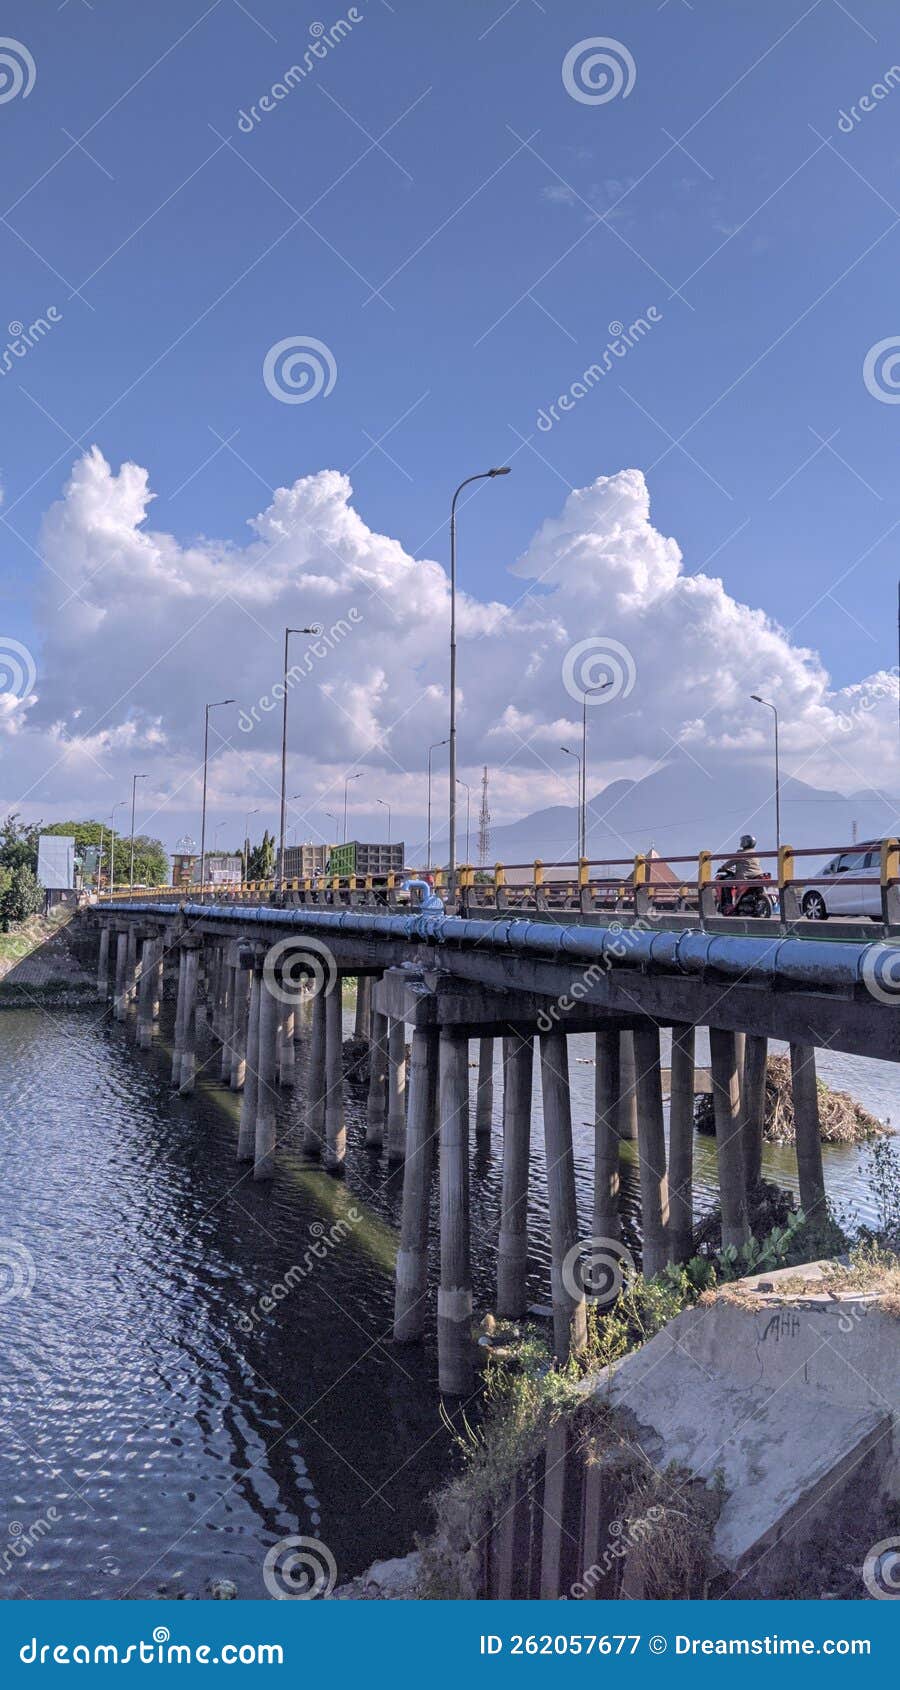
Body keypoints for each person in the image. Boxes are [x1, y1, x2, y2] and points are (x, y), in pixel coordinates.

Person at [717, 834, 763, 913]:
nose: (741, 842)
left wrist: (722, 868)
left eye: (743, 841)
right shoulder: (755, 853)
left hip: (745, 877)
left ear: (746, 843)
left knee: (725, 883)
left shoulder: (741, 853)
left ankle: (729, 904)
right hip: (757, 875)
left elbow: (730, 862)